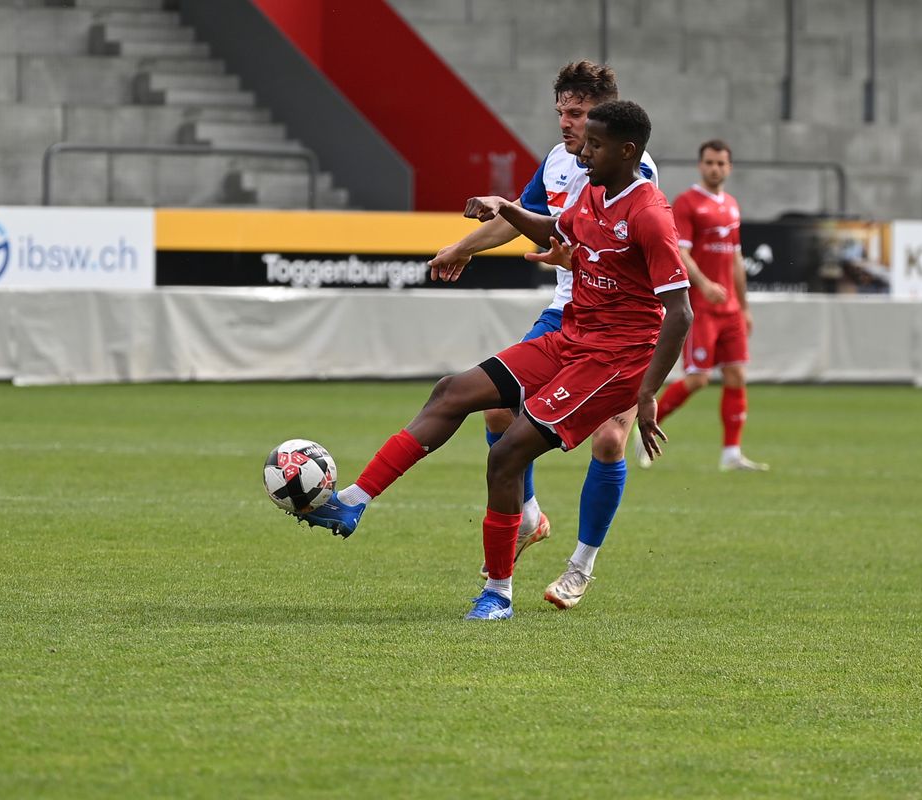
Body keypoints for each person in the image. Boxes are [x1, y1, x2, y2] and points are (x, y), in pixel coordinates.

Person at [295, 100, 693, 621]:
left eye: (594, 145)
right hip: (571, 336)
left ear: (627, 150)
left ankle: (498, 594)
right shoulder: (596, 191)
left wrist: (645, 393)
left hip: (615, 362)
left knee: (507, 454)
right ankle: (352, 500)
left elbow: (679, 313)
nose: (585, 152)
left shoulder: (649, 213)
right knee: (452, 391)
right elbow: (556, 230)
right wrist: (506, 208)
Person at [427, 60, 658, 608]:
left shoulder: (634, 173)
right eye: (561, 110)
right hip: (565, 313)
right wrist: (463, 247)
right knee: (496, 412)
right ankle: (529, 518)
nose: (564, 121)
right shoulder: (557, 161)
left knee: (607, 440)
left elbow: (620, 251)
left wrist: (572, 254)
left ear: (604, 121)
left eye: (576, 112)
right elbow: (522, 216)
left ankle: (580, 567)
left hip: (624, 325)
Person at [647, 140, 769, 472]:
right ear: (700, 165)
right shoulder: (687, 203)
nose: (715, 168)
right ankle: (646, 421)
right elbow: (681, 252)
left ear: (729, 168)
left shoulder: (731, 205)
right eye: (710, 162)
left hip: (729, 309)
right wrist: (704, 284)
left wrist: (743, 306)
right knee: (698, 378)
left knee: (736, 375)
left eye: (721, 163)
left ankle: (731, 453)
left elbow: (735, 260)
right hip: (700, 305)